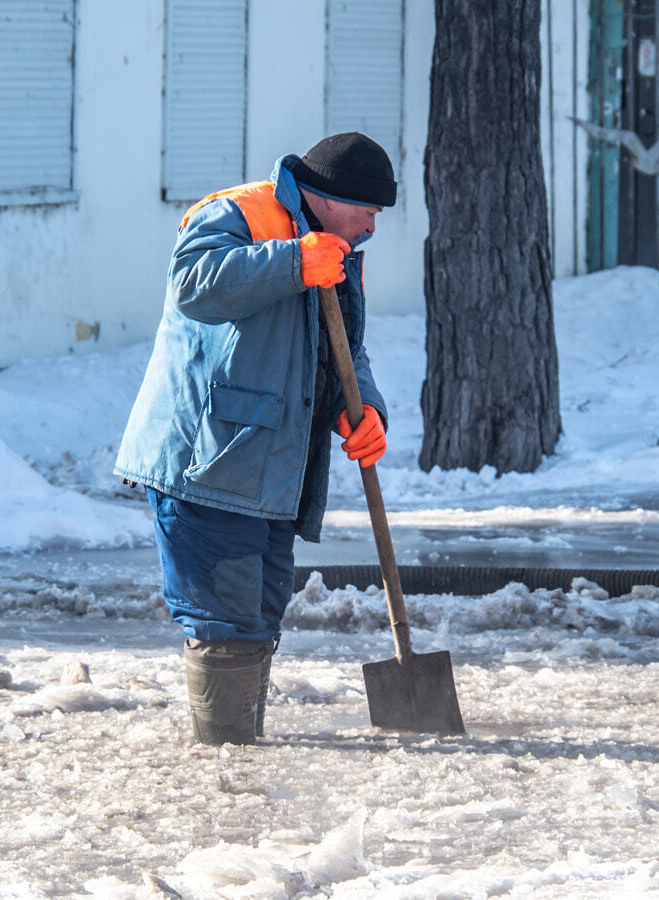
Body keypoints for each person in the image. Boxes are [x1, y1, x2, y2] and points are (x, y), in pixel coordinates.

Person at [114, 132, 396, 745]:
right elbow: (195, 285)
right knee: (224, 617)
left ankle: (238, 747)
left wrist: (361, 407)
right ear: (330, 197)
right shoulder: (239, 213)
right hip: (207, 460)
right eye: (370, 210)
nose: (373, 226)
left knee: (259, 612)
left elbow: (341, 345)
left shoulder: (340, 250)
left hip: (269, 466)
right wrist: (293, 262)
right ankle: (225, 769)